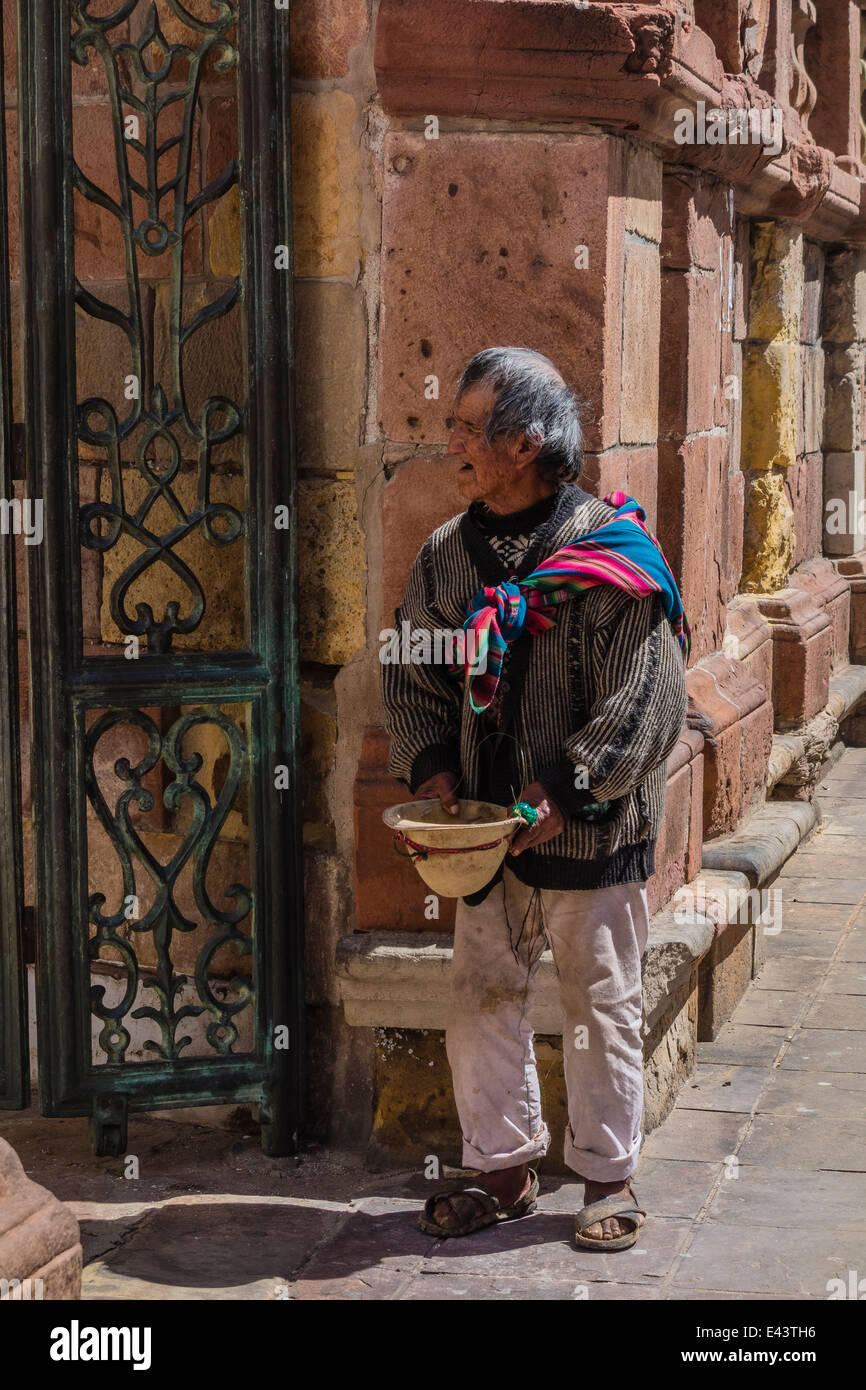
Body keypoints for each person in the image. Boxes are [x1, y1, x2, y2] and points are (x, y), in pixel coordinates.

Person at [381, 347, 688, 1249]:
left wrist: (563, 790)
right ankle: (503, 1169)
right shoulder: (448, 555)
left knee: (600, 999)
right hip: (481, 835)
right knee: (481, 992)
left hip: (590, 828)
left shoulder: (612, 554)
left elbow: (649, 695)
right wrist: (432, 764)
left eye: (471, 429)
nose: (454, 445)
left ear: (525, 441)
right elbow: (414, 669)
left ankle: (606, 1178)